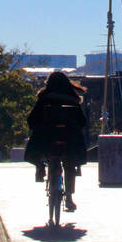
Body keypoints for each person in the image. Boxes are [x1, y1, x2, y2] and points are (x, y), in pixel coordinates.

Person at [23, 71, 87, 212]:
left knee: (39, 146)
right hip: (68, 143)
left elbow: (32, 120)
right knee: (69, 165)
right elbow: (82, 122)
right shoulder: (73, 99)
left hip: (46, 142)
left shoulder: (44, 98)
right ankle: (69, 198)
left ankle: (40, 167)